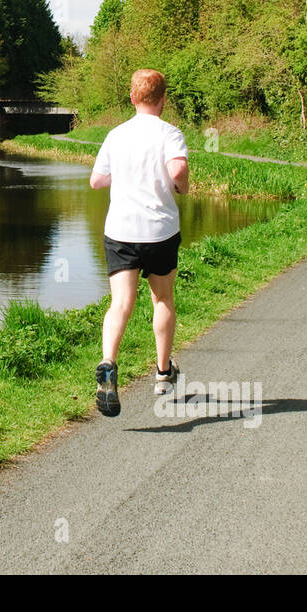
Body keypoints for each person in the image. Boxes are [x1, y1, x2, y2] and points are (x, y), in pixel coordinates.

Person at [88, 68, 189, 416]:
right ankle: (163, 375)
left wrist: (126, 172)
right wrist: (182, 184)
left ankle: (108, 364)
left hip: (121, 232)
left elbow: (96, 181)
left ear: (132, 98)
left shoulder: (116, 135)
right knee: (162, 297)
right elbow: (177, 172)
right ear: (163, 100)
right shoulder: (170, 133)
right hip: (160, 231)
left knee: (121, 303)